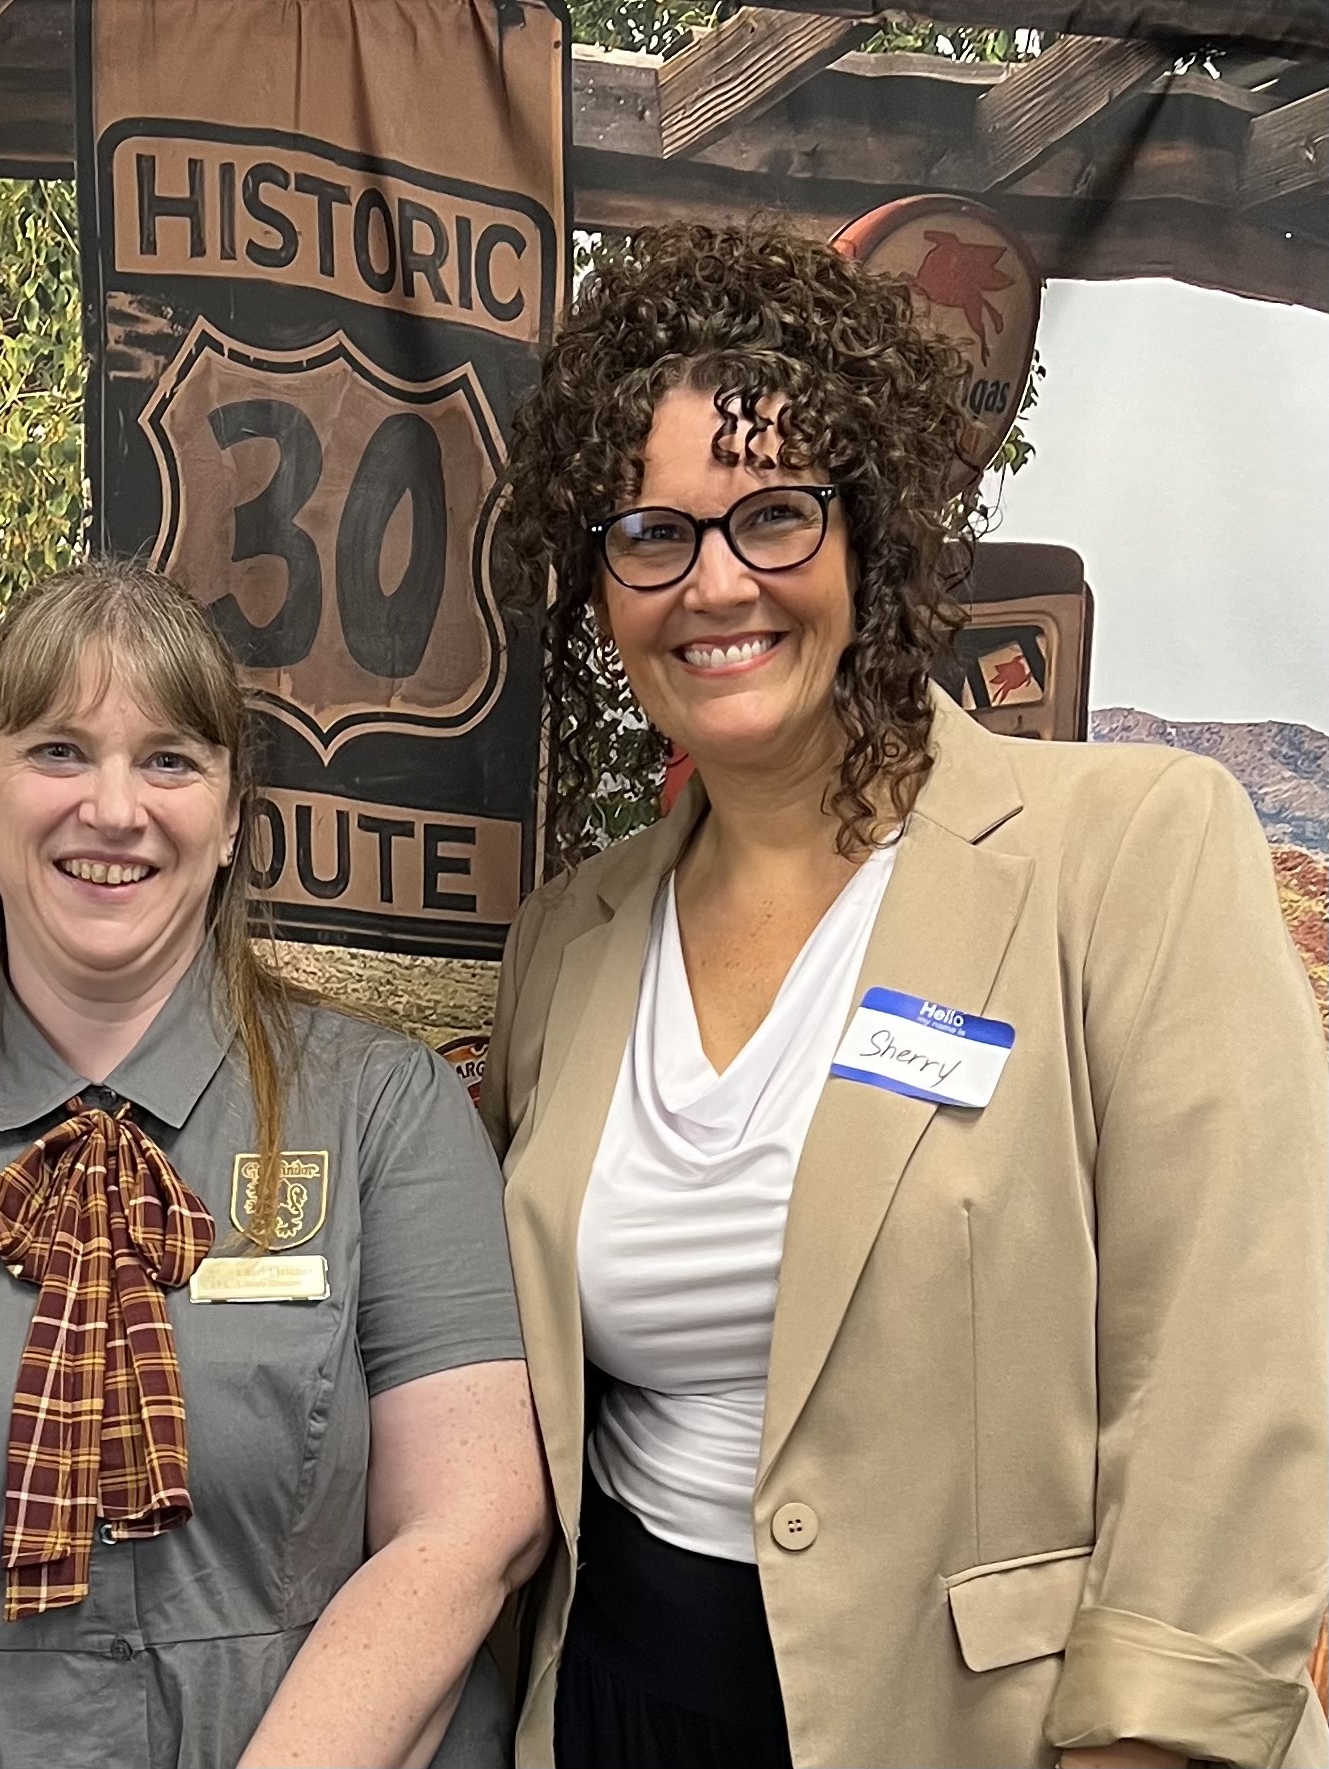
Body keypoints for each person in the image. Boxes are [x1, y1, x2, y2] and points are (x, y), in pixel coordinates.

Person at [479, 221, 1329, 1769]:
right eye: (652, 533)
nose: (713, 583)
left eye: (774, 518)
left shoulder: (1128, 857)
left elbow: (1231, 1388)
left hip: (987, 1729)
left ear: (867, 532)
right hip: (616, 1705)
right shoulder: (570, 940)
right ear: (599, 581)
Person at [0, 560, 549, 1768]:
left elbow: (469, 1520)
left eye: (167, 759)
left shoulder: (381, 1106)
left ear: (232, 811)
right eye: (56, 750)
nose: (111, 807)